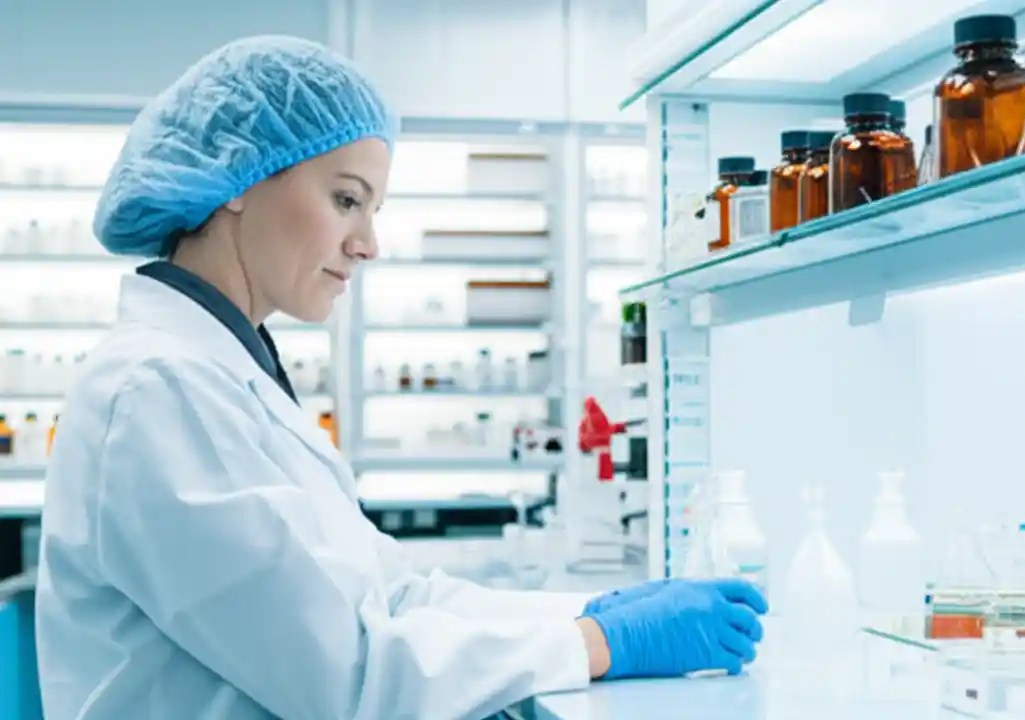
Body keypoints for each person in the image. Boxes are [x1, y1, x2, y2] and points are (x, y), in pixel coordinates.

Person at [34, 36, 767, 720]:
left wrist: (596, 609)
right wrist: (604, 645)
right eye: (347, 199)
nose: (368, 244)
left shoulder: (223, 374)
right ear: (237, 177)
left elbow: (398, 594)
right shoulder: (158, 390)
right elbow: (345, 671)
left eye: (373, 209)